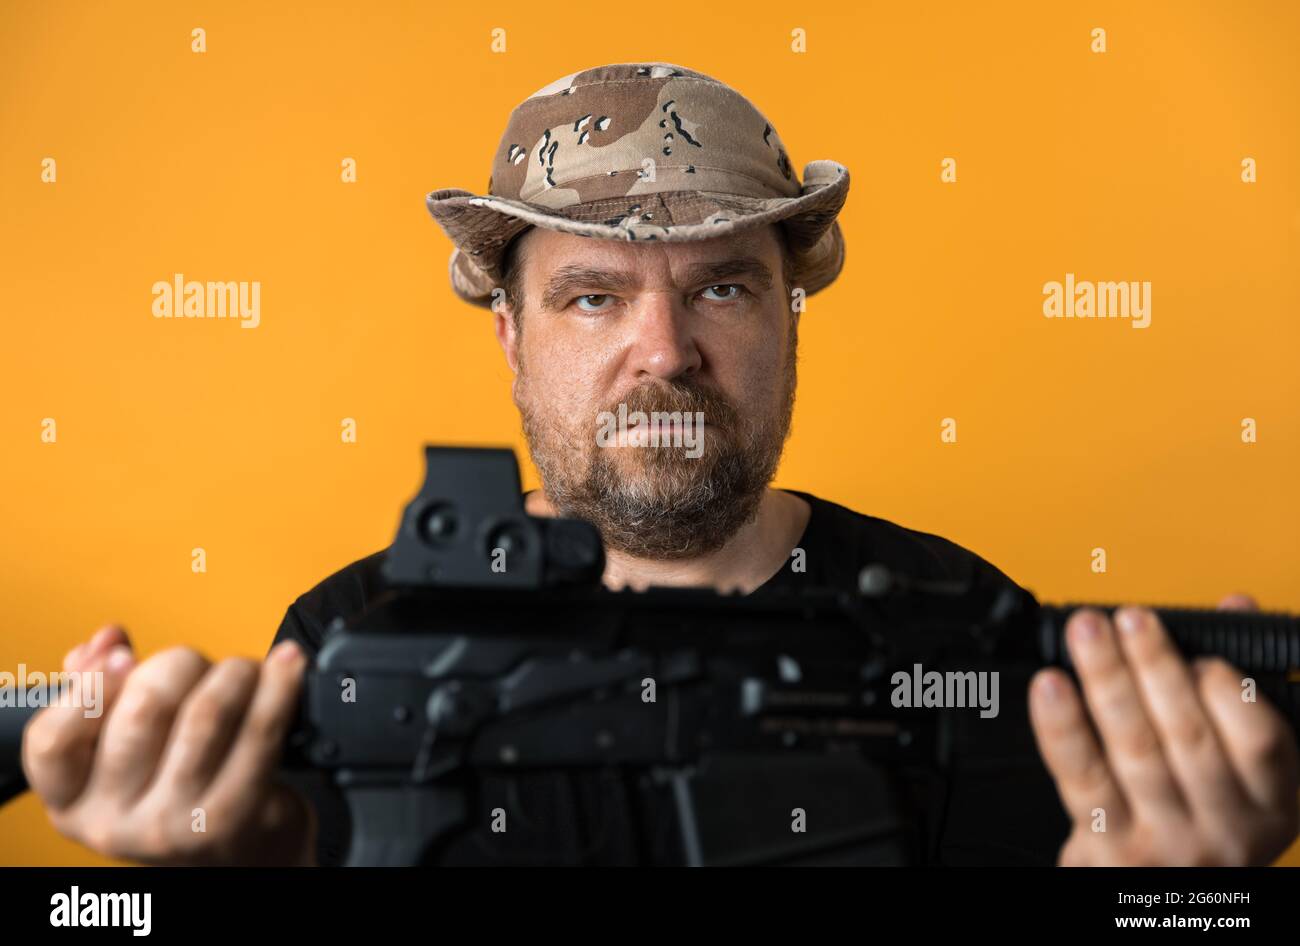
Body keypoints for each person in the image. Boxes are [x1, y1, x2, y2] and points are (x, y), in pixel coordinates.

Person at [22, 62, 1298, 867]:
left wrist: (1171, 910)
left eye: (724, 286)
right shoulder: (357, 630)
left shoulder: (955, 623)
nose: (664, 351)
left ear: (790, 319)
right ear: (510, 336)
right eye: (590, 298)